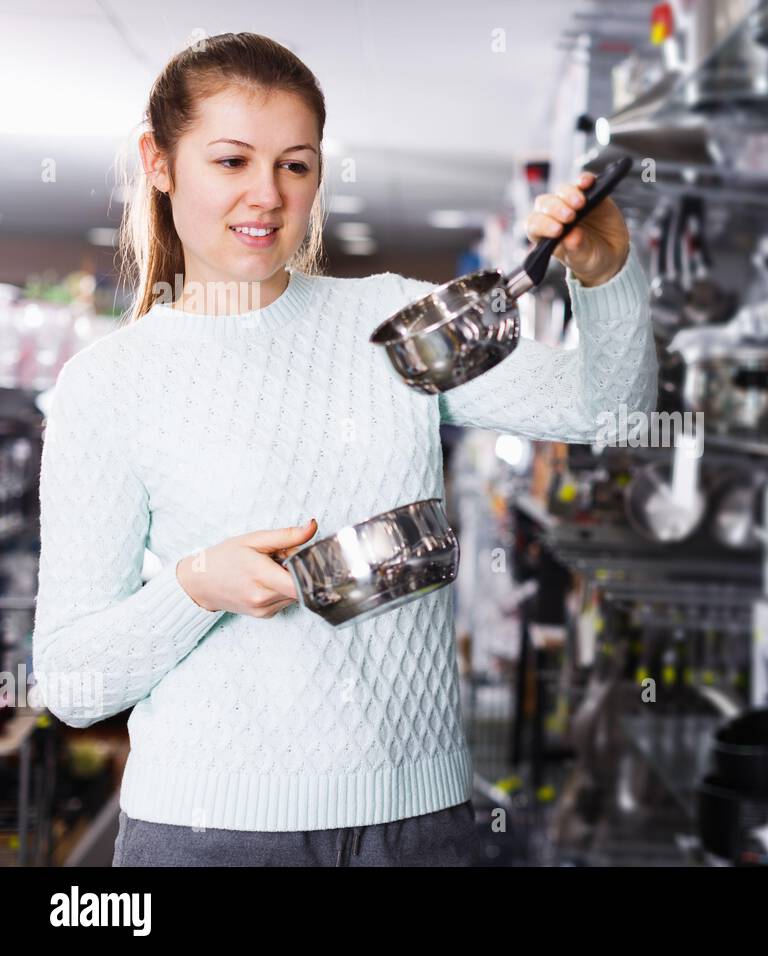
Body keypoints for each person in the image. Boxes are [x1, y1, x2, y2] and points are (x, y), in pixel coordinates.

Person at [31, 32, 656, 866]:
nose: (267, 195)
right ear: (160, 161)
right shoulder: (107, 385)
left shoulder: (390, 326)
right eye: (231, 161)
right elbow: (72, 686)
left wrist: (608, 271)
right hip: (207, 834)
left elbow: (611, 412)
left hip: (419, 825)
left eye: (296, 164)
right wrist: (197, 587)